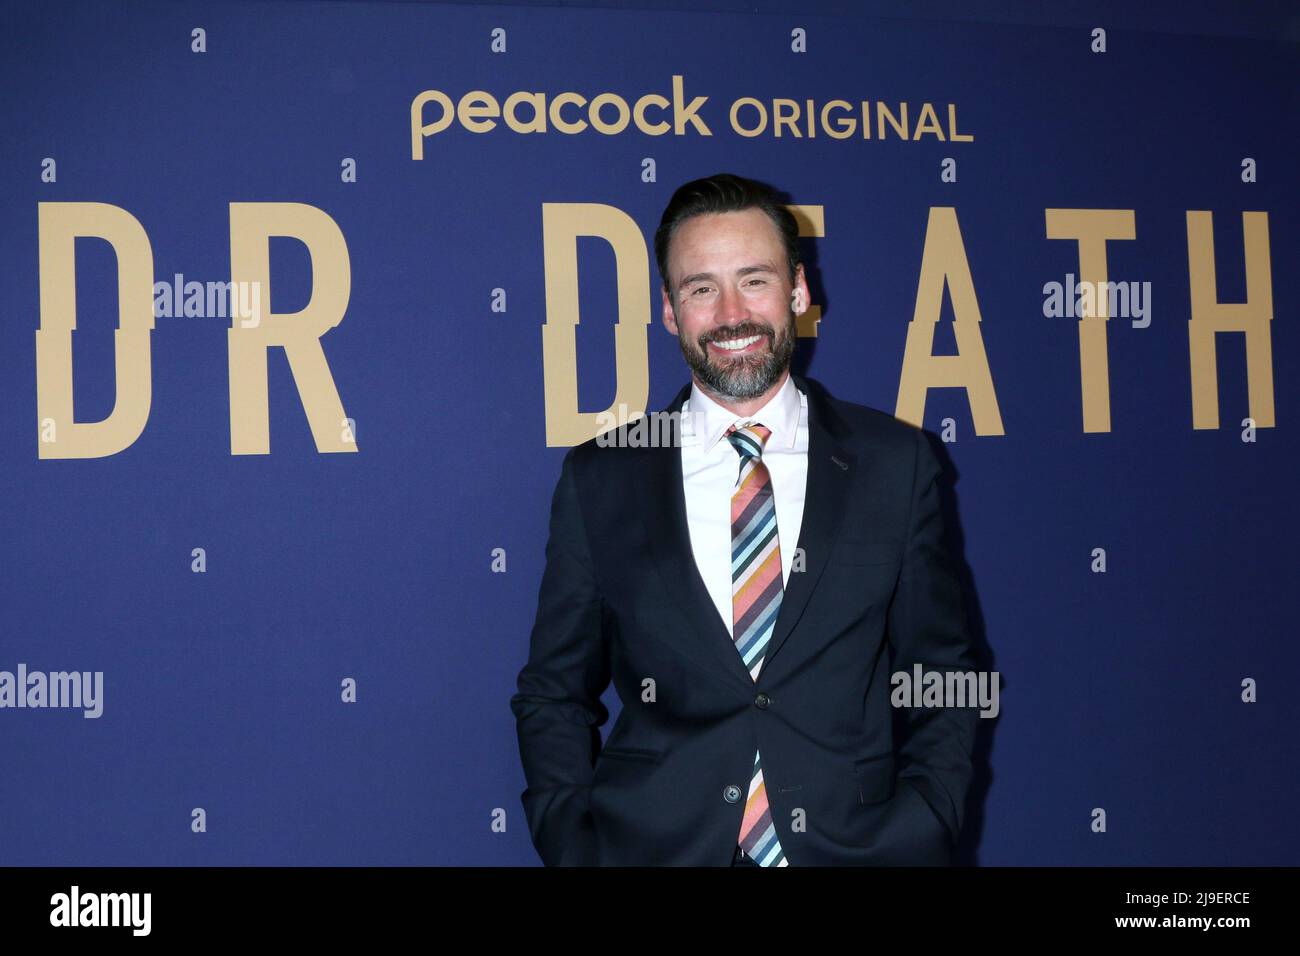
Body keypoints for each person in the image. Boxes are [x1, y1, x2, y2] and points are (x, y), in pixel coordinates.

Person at [511, 172, 979, 866]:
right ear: (670, 310)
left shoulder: (895, 463)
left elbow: (942, 672)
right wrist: (576, 849)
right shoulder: (603, 477)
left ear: (797, 291)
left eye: (754, 280)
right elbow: (553, 693)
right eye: (701, 288)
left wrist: (927, 824)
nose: (731, 314)